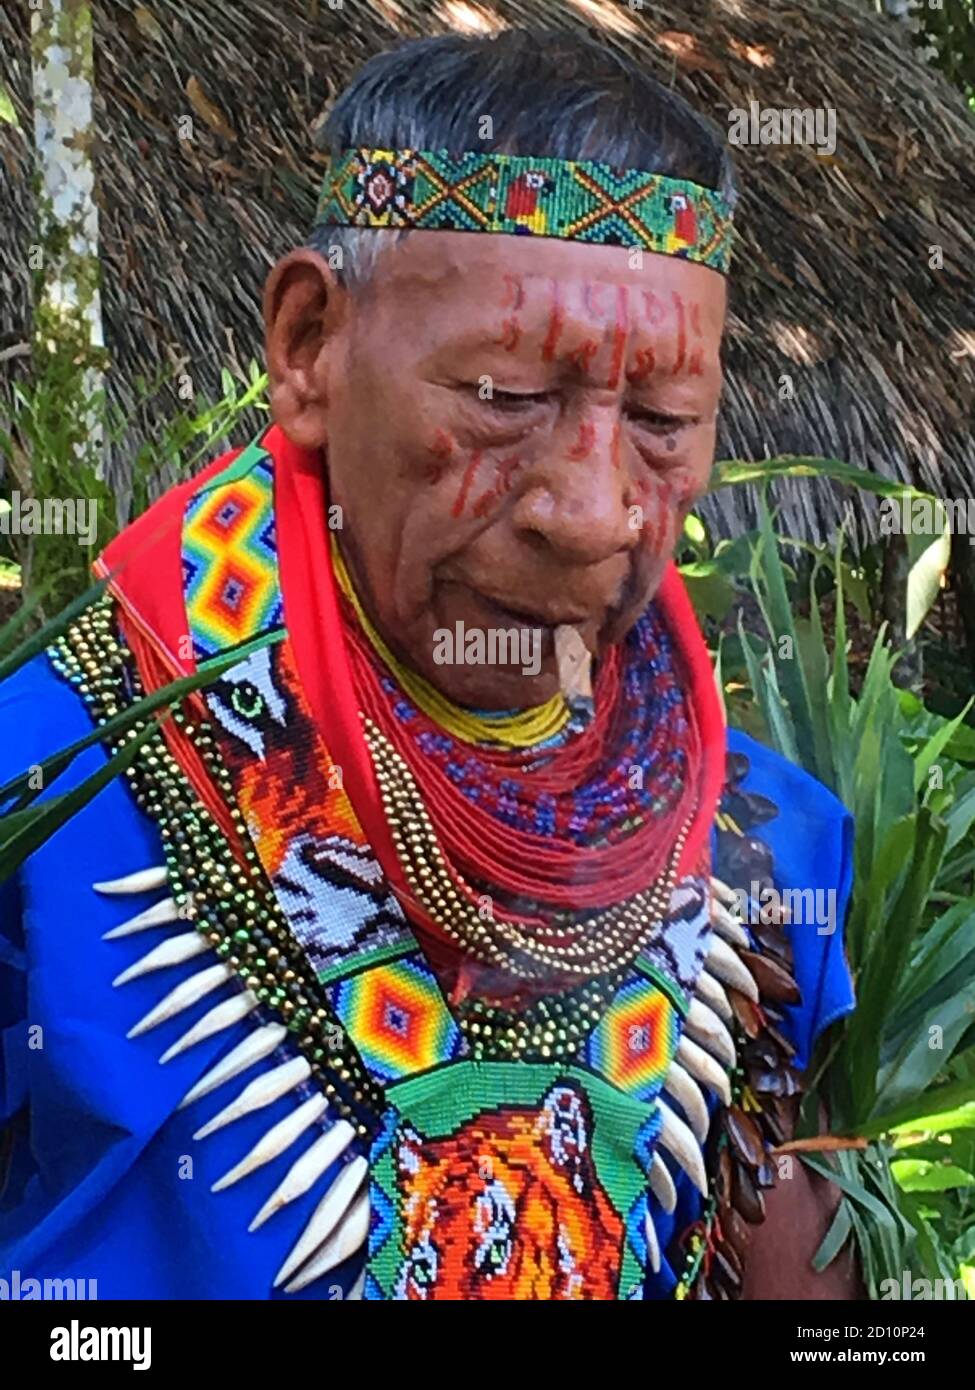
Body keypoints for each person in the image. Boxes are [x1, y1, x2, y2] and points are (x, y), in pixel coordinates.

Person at [0, 29, 857, 1300]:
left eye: (664, 424)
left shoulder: (763, 845)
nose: (595, 509)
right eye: (507, 394)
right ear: (307, 348)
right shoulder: (44, 792)